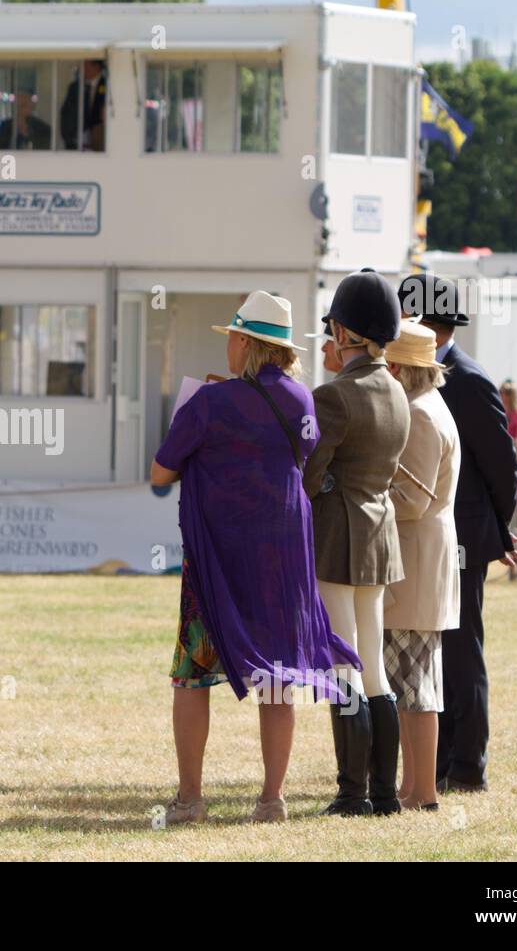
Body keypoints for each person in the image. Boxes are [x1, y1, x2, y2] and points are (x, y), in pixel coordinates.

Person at [151, 290, 361, 825]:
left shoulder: (207, 403)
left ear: (245, 343)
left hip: (218, 560)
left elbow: (161, 473)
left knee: (192, 676)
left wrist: (209, 411)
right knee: (277, 675)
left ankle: (191, 800)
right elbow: (292, 452)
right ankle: (272, 799)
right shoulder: (303, 401)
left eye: (232, 339)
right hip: (282, 560)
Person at [398, 273, 517, 794]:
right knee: (438, 650)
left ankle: (467, 767)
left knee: (461, 652)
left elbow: (502, 465)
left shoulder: (465, 378)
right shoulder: (432, 371)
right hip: (445, 533)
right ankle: (441, 762)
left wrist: (499, 530)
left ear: (426, 321)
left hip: (462, 535)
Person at [304, 268, 411, 817]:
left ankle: (351, 794)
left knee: (343, 663)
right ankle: (385, 793)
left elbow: (307, 472)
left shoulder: (335, 395)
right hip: (378, 533)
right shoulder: (396, 390)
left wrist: (320, 484)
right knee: (372, 664)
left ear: (344, 332)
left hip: (339, 536)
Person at [382, 322, 461, 812]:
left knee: (415, 686)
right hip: (421, 558)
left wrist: (365, 496)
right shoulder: (430, 408)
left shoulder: (421, 415)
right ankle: (414, 789)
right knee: (412, 683)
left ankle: (423, 791)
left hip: (416, 558)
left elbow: (412, 499)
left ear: (399, 368)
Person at [60, 60, 106, 151]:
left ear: (96, 67)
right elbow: (66, 114)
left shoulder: (108, 85)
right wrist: (69, 139)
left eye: (85, 65)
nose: (82, 69)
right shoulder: (75, 87)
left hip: (101, 144)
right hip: (76, 144)